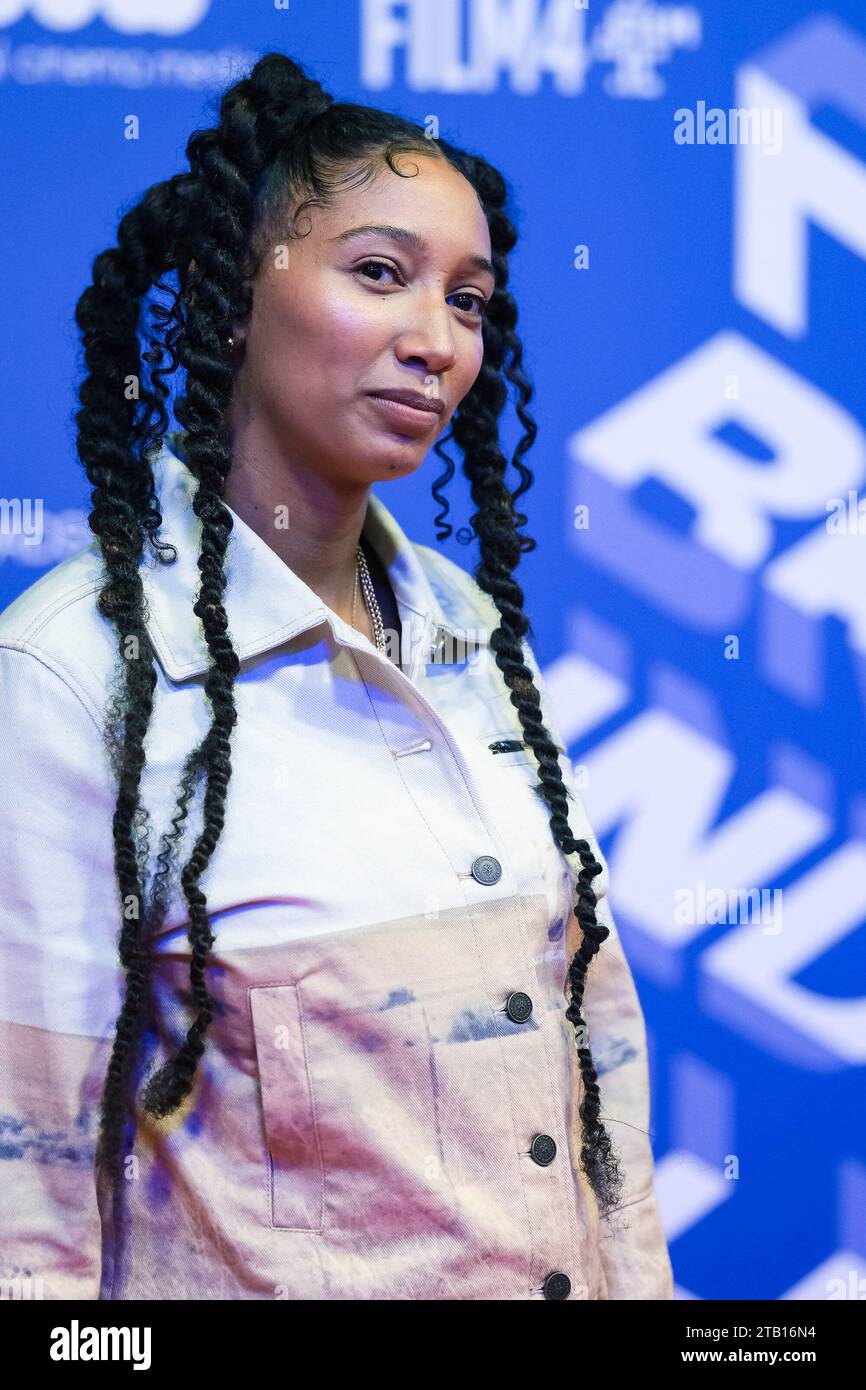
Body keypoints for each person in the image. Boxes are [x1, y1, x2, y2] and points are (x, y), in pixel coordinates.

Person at [0, 52, 673, 1301]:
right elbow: (20, 1215)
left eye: (468, 302)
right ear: (235, 297)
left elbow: (594, 1082)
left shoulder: (470, 632)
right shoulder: (69, 680)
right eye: (379, 273)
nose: (436, 343)